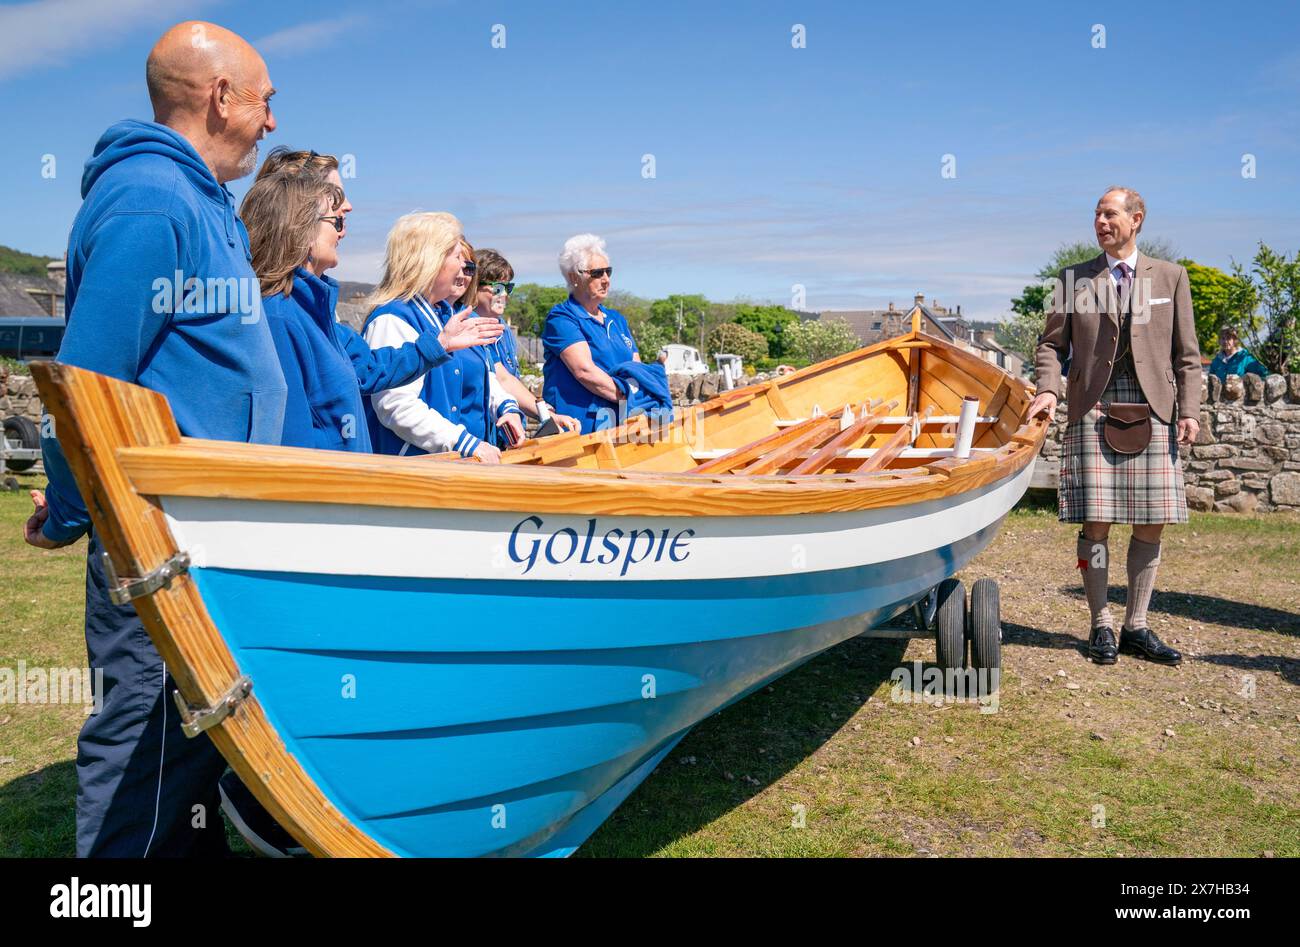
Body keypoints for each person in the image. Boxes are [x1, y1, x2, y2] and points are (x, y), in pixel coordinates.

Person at [22, 21, 285, 857]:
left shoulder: (202, 199)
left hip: (204, 530)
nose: (272, 122)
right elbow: (87, 386)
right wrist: (70, 511)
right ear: (221, 98)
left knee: (196, 747)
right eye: (266, 101)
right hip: (157, 534)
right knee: (144, 747)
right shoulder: (152, 199)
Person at [1028, 186, 1201, 668]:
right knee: (1097, 521)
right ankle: (1101, 621)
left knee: (1152, 521)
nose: (1101, 222)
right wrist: (1048, 387)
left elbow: (1187, 356)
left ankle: (1137, 625)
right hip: (1093, 404)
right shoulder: (1074, 279)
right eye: (1096, 215)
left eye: (1110, 214)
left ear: (1137, 219)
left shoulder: (1170, 276)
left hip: (1155, 407)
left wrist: (1189, 410)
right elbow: (1049, 346)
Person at [242, 162, 501, 452]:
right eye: (336, 222)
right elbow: (292, 442)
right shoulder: (282, 318)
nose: (343, 233)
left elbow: (368, 369)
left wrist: (439, 343)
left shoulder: (314, 313)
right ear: (300, 229)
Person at [362, 213, 523, 462]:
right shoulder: (393, 318)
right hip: (414, 475)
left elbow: (481, 377)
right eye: (456, 257)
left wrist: (506, 407)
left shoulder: (443, 315)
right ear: (428, 258)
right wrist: (464, 442)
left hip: (453, 467)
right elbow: (396, 406)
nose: (466, 268)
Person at [541, 233, 672, 434]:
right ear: (574, 277)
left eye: (608, 272)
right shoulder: (562, 318)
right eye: (597, 273)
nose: (606, 280)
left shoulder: (617, 320)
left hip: (619, 425)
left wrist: (637, 399)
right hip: (581, 427)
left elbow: (636, 369)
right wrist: (631, 397)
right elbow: (585, 372)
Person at [471, 247, 579, 438]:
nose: (505, 295)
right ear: (474, 287)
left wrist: (547, 415)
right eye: (497, 288)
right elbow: (503, 379)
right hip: (481, 436)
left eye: (508, 288)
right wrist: (547, 416)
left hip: (506, 434)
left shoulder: (503, 329)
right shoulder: (470, 326)